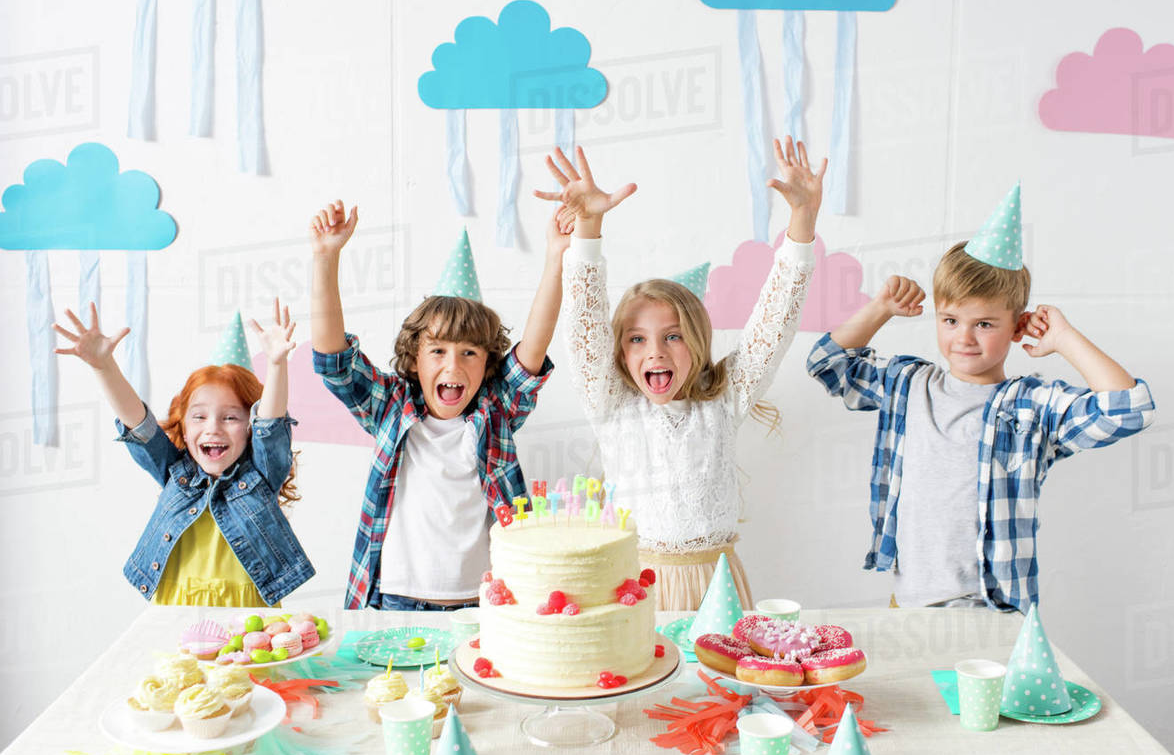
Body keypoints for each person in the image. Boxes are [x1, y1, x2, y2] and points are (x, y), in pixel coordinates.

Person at [807, 191, 1155, 612]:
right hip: (909, 600)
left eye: (984, 323)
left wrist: (1064, 338)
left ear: (1016, 326)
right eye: (951, 320)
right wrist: (880, 308)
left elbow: (1129, 409)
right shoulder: (908, 385)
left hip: (989, 608)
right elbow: (828, 365)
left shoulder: (1029, 407)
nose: (964, 338)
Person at [540, 140, 825, 609]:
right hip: (634, 586)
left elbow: (774, 321)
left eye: (672, 336)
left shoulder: (724, 400)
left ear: (697, 342)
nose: (655, 351)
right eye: (637, 339)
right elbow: (582, 325)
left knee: (717, 686)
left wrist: (802, 221)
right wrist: (588, 227)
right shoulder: (610, 404)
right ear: (620, 351)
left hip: (717, 589)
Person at [309, 201, 563, 610]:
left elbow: (534, 345)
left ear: (488, 365)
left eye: (469, 353)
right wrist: (326, 257)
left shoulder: (495, 413)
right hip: (396, 597)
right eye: (438, 351)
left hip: (481, 600)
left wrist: (554, 257)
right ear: (414, 359)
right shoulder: (391, 407)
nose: (452, 365)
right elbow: (333, 362)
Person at [54, 300, 312, 606]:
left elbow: (270, 425)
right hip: (175, 607)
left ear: (249, 428)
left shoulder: (260, 476)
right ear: (184, 427)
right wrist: (104, 366)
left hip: (244, 612)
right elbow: (139, 424)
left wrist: (277, 365)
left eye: (230, 417)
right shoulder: (175, 472)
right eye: (199, 417)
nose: (212, 428)